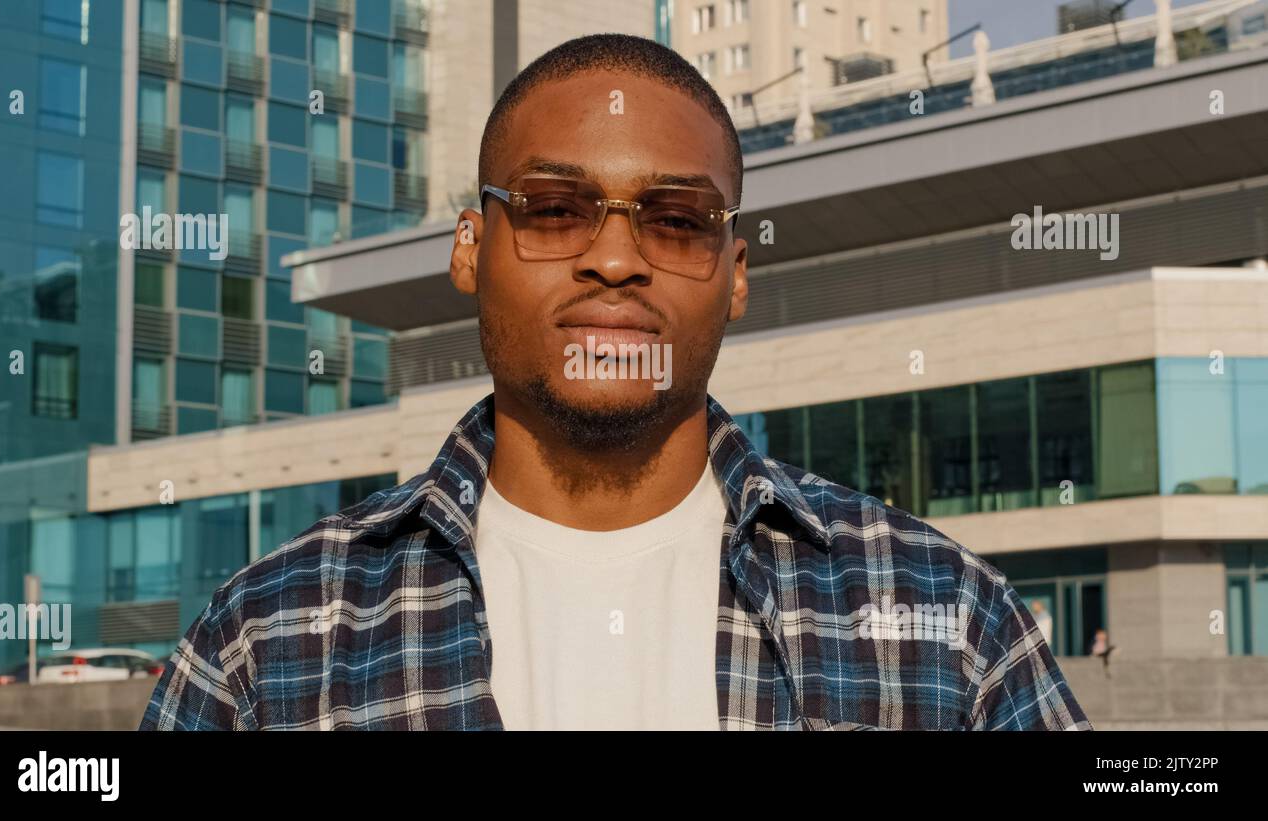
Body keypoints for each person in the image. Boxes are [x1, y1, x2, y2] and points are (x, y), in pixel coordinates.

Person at [141, 34, 1090, 731]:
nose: (614, 257)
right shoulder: (269, 643)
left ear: (737, 273)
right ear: (470, 247)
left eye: (676, 220)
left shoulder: (945, 622)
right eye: (555, 209)